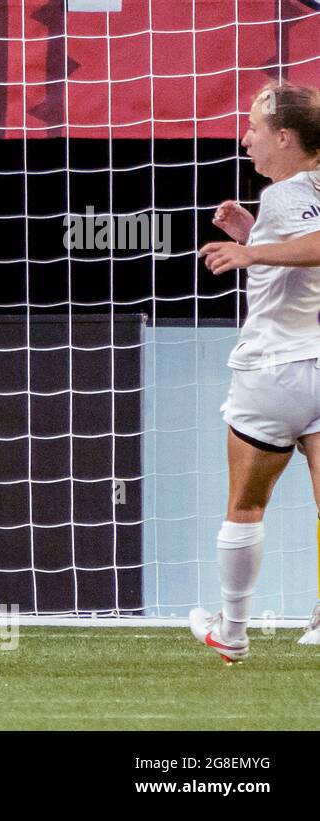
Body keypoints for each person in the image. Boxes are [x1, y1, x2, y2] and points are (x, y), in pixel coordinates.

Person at [188, 82, 320, 662]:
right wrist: (253, 233)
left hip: (270, 371)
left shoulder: (288, 194)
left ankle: (233, 633)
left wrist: (250, 251)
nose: (245, 139)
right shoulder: (292, 199)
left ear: (285, 138)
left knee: (245, 505)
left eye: (254, 129)